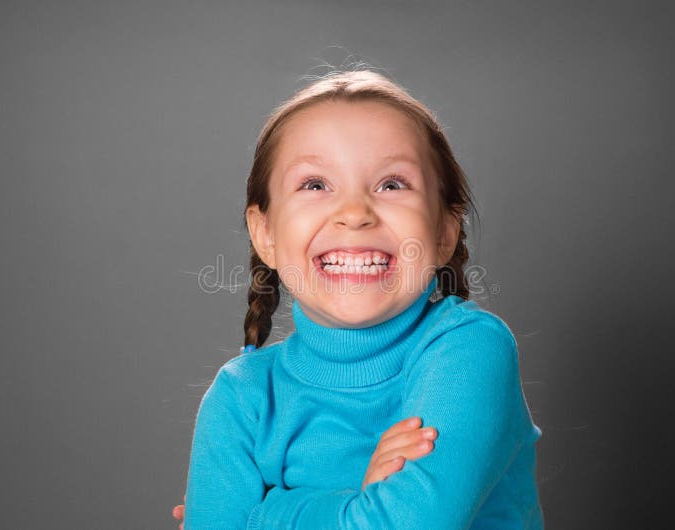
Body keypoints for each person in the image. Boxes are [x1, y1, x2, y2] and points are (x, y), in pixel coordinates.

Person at [175, 69, 544, 529]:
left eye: (392, 184)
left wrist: (266, 513)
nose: (354, 213)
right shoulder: (242, 396)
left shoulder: (471, 351)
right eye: (314, 185)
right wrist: (357, 504)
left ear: (446, 231)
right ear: (264, 233)